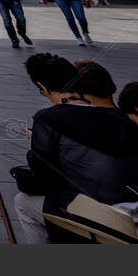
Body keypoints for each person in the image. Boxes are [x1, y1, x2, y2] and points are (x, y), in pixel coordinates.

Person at [10, 53, 138, 243]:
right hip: (133, 210)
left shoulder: (48, 119)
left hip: (104, 218)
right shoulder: (120, 118)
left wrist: (33, 148)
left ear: (43, 88)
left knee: (23, 202)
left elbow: (41, 180)